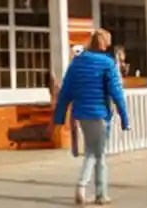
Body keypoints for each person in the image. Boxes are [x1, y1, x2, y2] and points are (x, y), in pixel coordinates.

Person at [54, 28, 131, 205]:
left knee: (91, 150)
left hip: (82, 114)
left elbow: (65, 91)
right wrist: (125, 118)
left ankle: (85, 188)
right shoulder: (108, 63)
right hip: (100, 113)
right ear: (105, 45)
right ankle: (98, 193)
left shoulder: (77, 63)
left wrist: (59, 117)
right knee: (99, 154)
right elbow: (116, 92)